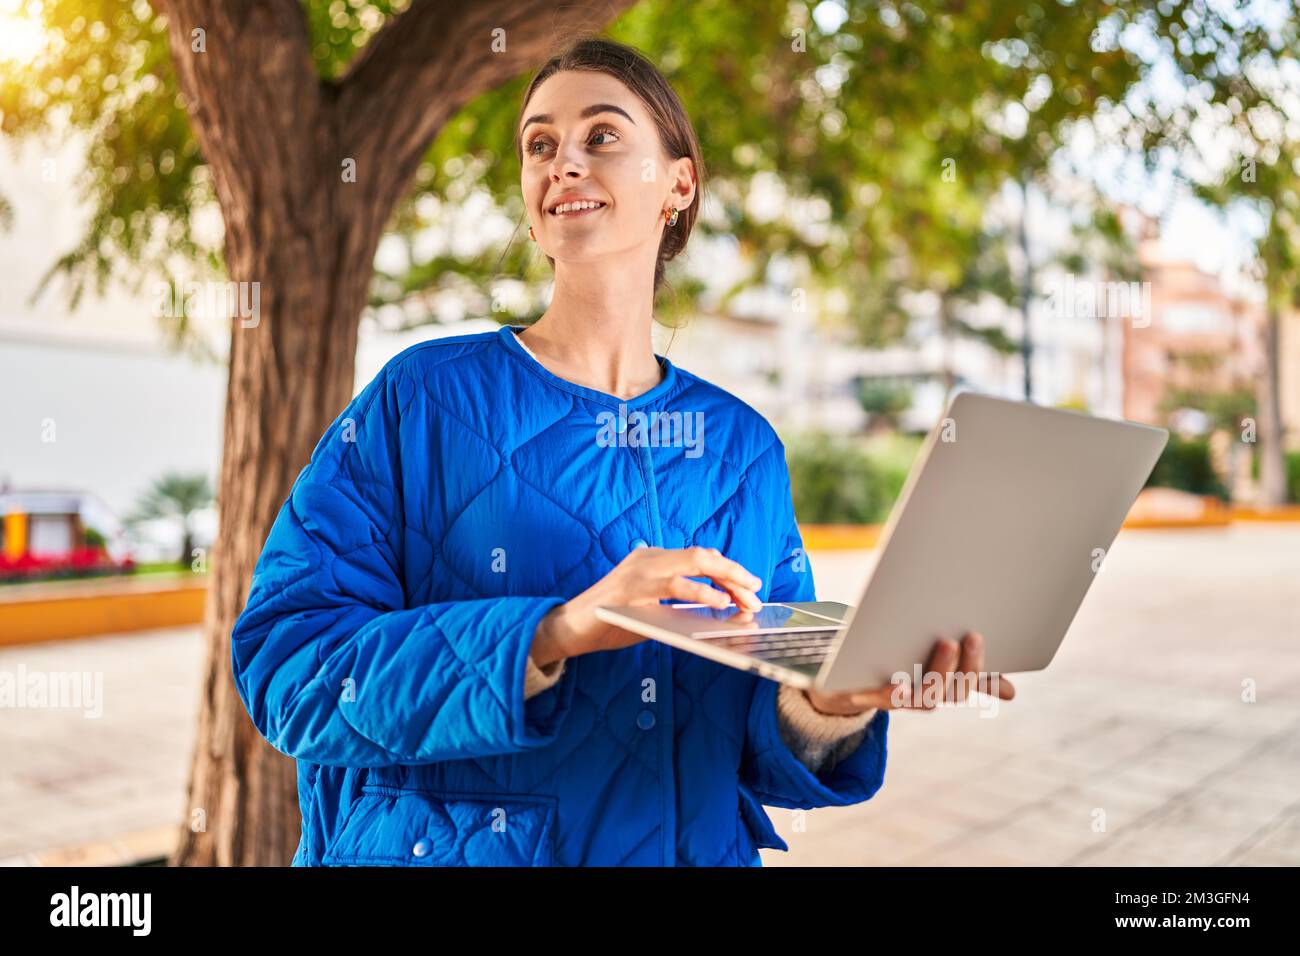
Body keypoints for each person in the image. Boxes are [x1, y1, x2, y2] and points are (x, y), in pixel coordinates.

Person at [230, 35, 1014, 867]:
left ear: (678, 183)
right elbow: (291, 671)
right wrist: (557, 631)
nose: (564, 160)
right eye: (540, 144)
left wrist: (832, 704)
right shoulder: (420, 399)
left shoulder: (743, 449)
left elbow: (755, 745)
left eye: (602, 136)